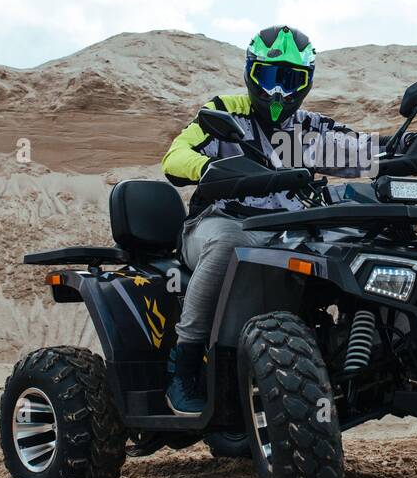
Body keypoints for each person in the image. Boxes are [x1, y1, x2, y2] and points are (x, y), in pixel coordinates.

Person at [159, 25, 374, 415]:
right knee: (228, 245)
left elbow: (364, 151)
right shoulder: (224, 112)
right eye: (270, 76)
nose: (279, 91)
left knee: (355, 245)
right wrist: (211, 169)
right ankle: (185, 364)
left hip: (287, 232)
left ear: (306, 83)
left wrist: (410, 148)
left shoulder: (309, 129)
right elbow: (174, 158)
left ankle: (354, 353)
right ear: (251, 72)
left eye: (291, 80)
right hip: (219, 221)